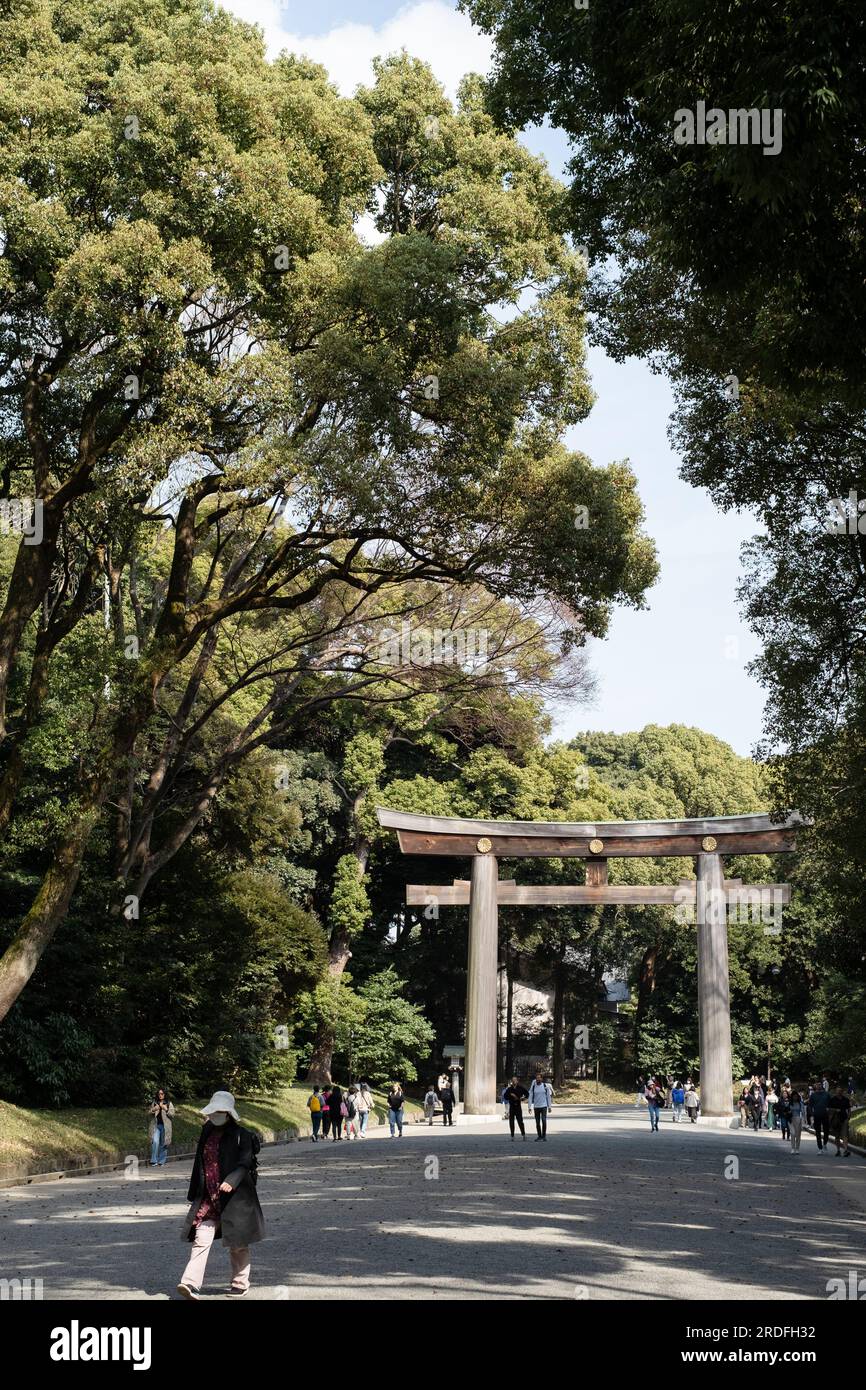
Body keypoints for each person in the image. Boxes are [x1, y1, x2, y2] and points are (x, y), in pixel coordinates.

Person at [177, 1091, 264, 1300]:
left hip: (236, 1199)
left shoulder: (243, 1135)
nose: (215, 1114)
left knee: (238, 1243)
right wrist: (196, 1189)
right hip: (209, 1196)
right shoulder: (207, 1130)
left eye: (220, 1111)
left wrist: (231, 1181)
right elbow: (200, 1162)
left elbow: (245, 1163)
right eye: (213, 1110)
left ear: (229, 1113)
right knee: (201, 1237)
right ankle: (190, 1283)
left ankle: (240, 1283)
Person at [148, 1088, 175, 1167]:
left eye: (162, 1093)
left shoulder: (169, 1103)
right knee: (155, 1142)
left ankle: (161, 1161)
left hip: (165, 1126)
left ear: (164, 1094)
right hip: (156, 1125)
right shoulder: (155, 1102)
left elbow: (172, 1114)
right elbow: (149, 1113)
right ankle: (154, 1160)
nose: (160, 1095)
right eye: (159, 1094)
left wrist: (165, 1109)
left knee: (164, 1143)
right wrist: (154, 1109)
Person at [528, 1071, 553, 1140]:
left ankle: (544, 1135)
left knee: (544, 1120)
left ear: (542, 1079)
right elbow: (530, 1096)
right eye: (537, 1078)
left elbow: (548, 1096)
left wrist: (549, 1106)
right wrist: (529, 1107)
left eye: (539, 1078)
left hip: (544, 1106)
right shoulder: (533, 1087)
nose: (538, 1079)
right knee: (537, 1122)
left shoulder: (545, 1086)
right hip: (536, 1107)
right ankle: (539, 1136)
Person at [828, 1085, 851, 1157]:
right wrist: (835, 1110)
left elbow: (849, 1109)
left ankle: (845, 1150)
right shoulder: (832, 1099)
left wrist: (848, 1118)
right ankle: (838, 1150)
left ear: (842, 1092)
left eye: (840, 1091)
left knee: (845, 1135)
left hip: (844, 1119)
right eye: (838, 1091)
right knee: (837, 1136)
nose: (839, 1092)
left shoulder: (846, 1099)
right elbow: (828, 1109)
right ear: (836, 1091)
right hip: (835, 1120)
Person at [504, 1076, 529, 1140]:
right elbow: (505, 1096)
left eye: (515, 1080)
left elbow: (527, 1094)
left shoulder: (520, 1088)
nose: (514, 1081)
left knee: (520, 1121)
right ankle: (512, 1136)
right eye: (513, 1080)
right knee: (511, 1121)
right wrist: (510, 1095)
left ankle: (523, 1135)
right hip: (512, 1106)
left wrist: (523, 1098)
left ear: (517, 1081)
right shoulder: (509, 1089)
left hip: (518, 1106)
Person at [809, 1080, 831, 1153]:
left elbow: (830, 1103)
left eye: (820, 1084)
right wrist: (811, 1115)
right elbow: (810, 1106)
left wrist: (829, 1109)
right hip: (817, 1115)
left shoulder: (826, 1094)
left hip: (825, 1114)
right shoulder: (813, 1095)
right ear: (815, 1086)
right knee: (817, 1132)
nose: (818, 1086)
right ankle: (820, 1148)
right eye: (817, 1085)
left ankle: (825, 1143)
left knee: (826, 1131)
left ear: (822, 1086)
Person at [788, 1088, 804, 1153]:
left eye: (796, 1096)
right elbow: (786, 1110)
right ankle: (792, 1148)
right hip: (791, 1119)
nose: (795, 1097)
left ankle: (797, 1148)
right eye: (794, 1096)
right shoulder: (790, 1103)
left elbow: (803, 1112)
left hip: (798, 1119)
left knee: (798, 1135)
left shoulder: (800, 1103)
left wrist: (803, 1121)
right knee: (792, 1133)